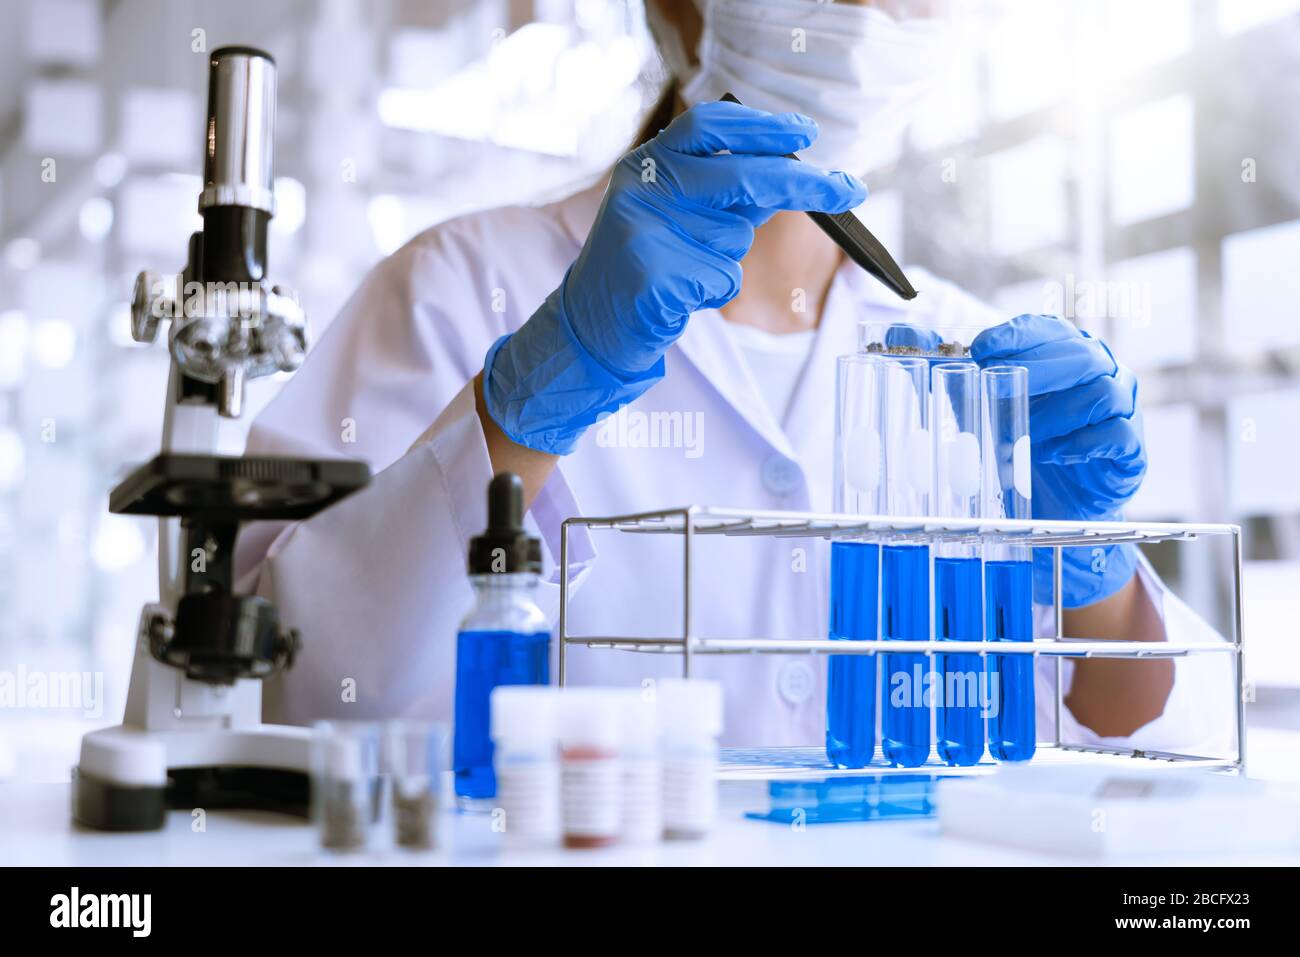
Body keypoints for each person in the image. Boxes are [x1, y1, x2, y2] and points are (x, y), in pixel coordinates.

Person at [236, 0, 1229, 752]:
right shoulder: (464, 285)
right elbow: (296, 683)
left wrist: (1087, 570)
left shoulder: (975, 359)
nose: (865, 16)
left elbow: (1147, 752)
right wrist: (529, 399)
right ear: (676, 9)